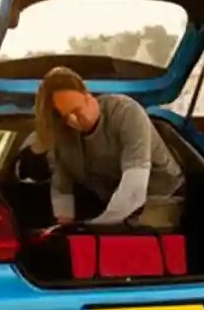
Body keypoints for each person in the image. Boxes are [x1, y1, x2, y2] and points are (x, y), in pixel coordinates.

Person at [34, 66, 185, 231]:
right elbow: (62, 189)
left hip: (160, 198)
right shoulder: (63, 136)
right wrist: (63, 232)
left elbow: (135, 188)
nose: (74, 120)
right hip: (112, 204)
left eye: (77, 110)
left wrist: (97, 227)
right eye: (65, 117)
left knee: (135, 243)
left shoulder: (125, 112)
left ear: (88, 95)